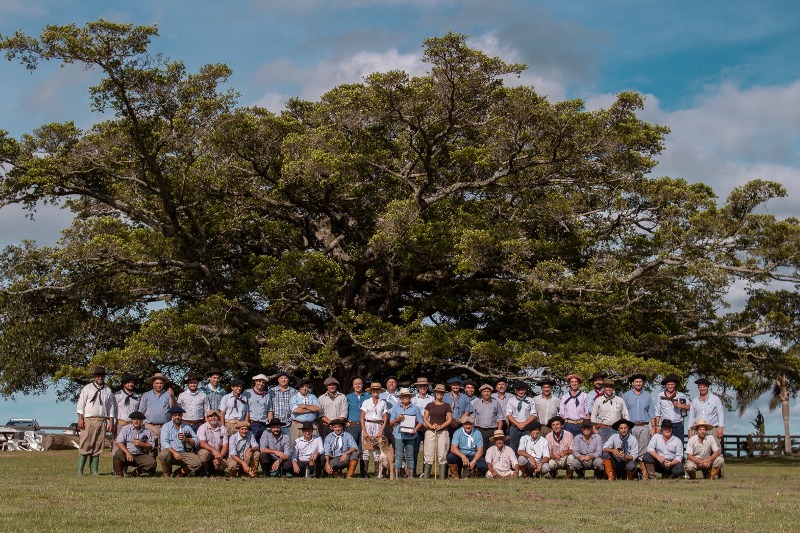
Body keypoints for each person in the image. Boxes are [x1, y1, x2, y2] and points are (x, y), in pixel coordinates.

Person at [76, 366, 116, 476]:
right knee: (86, 444)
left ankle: (94, 470)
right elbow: (80, 405)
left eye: (102, 376)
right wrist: (80, 418)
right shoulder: (87, 388)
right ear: (95, 377)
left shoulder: (108, 390)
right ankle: (80, 471)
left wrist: (111, 422)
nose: (100, 378)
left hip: (102, 420)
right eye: (98, 376)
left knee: (98, 444)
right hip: (88, 419)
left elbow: (111, 407)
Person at [623, 373, 656, 478]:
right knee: (630, 449)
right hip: (631, 426)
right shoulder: (626, 395)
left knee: (643, 449)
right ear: (632, 383)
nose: (638, 383)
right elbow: (623, 412)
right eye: (636, 382)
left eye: (640, 382)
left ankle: (644, 473)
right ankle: (630, 473)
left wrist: (654, 427)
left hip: (644, 426)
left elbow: (652, 413)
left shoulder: (647, 395)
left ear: (643, 383)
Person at [158, 406, 202, 477]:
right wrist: (174, 453)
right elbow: (164, 442)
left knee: (197, 463)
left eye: (179, 415)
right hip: (171, 453)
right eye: (175, 415)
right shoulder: (166, 426)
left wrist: (187, 440)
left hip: (183, 452)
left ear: (182, 416)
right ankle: (166, 472)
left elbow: (196, 440)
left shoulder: (186, 427)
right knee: (164, 454)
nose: (177, 417)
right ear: (172, 416)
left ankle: (179, 472)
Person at [389, 388, 424, 478]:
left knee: (410, 456)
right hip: (398, 435)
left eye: (407, 396)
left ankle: (411, 476)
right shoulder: (396, 408)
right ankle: (396, 476)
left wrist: (416, 429)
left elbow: (421, 421)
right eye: (403, 396)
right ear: (400, 398)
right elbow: (391, 422)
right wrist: (398, 419)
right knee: (399, 456)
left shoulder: (415, 408)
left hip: (411, 435)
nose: (405, 398)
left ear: (410, 397)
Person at [139, 372, 176, 450]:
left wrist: (172, 396)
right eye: (157, 383)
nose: (159, 385)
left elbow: (173, 407)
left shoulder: (168, 394)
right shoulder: (146, 395)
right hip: (149, 426)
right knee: (150, 449)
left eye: (161, 383)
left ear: (163, 384)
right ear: (153, 384)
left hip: (164, 426)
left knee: (165, 449)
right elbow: (141, 411)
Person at [422, 384, 453, 479]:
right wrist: (431, 426)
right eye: (437, 392)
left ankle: (442, 477)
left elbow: (449, 419)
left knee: (442, 453)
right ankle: (426, 476)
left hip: (443, 431)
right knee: (428, 453)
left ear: (443, 394)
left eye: (441, 392)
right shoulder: (429, 405)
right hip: (430, 431)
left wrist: (441, 426)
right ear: (435, 393)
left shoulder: (446, 405)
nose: (439, 394)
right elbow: (425, 418)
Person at [112, 411, 156, 477]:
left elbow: (151, 445)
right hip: (127, 454)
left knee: (152, 462)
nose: (136, 421)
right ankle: (118, 473)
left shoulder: (146, 431)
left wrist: (142, 444)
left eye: (138, 419)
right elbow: (119, 442)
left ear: (142, 421)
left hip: (140, 455)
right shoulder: (125, 429)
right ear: (131, 420)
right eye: (134, 419)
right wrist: (127, 453)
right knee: (118, 454)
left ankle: (136, 472)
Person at [360, 381, 389, 476]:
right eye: (374, 390)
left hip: (378, 425)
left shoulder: (383, 403)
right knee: (366, 449)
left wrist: (381, 430)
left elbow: (385, 418)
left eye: (377, 390)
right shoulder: (366, 402)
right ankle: (364, 473)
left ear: (379, 391)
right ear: (371, 391)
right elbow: (362, 417)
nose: (375, 391)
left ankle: (378, 472)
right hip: (368, 424)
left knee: (377, 450)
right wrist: (364, 431)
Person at [687, 378, 725, 445]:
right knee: (698, 449)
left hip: (712, 428)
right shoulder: (694, 401)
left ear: (708, 387)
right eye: (700, 387)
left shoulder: (715, 399)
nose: (702, 389)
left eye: (704, 387)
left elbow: (720, 414)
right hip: (698, 429)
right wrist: (689, 430)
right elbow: (691, 416)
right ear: (698, 388)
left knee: (715, 450)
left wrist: (721, 428)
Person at [591, 379, 630, 443]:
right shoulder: (598, 400)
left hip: (617, 429)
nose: (609, 389)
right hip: (603, 429)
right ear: (604, 388)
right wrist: (594, 428)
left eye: (611, 387)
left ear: (613, 388)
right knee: (604, 450)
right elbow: (594, 415)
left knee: (618, 449)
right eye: (607, 387)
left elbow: (626, 414)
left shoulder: (620, 400)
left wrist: (626, 427)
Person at [655, 374, 690, 443]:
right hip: (665, 425)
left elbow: (690, 407)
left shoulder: (681, 395)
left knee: (679, 444)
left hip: (678, 424)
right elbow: (657, 412)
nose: (670, 386)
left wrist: (681, 405)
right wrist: (657, 426)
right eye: (668, 384)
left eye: (672, 384)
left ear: (675, 385)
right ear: (665, 385)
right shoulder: (660, 396)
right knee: (665, 446)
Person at [345, 375, 369, 477]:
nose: (358, 385)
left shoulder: (368, 396)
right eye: (356, 384)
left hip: (365, 425)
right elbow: (344, 410)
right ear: (353, 385)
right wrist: (345, 421)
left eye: (359, 383)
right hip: (352, 426)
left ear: (362, 385)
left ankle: (364, 472)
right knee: (352, 448)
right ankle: (350, 472)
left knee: (364, 448)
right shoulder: (348, 397)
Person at [410, 376, 434, 476]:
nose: (423, 388)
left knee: (428, 451)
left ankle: (425, 472)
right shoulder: (413, 399)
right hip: (416, 426)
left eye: (425, 386)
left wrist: (427, 424)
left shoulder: (432, 398)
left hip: (428, 427)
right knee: (415, 451)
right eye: (421, 386)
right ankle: (413, 472)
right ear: (418, 387)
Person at [506, 381, 537, 453]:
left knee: (528, 446)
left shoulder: (530, 400)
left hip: (527, 427)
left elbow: (534, 415)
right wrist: (517, 424)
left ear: (525, 390)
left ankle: (526, 463)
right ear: (516, 390)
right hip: (514, 427)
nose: (521, 391)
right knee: (513, 446)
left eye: (522, 389)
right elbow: (508, 414)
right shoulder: (511, 400)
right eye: (519, 390)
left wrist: (524, 424)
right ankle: (514, 463)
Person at [197, 409, 228, 476]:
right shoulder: (202, 427)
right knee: (204, 454)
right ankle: (203, 472)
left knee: (224, 464)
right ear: (207, 418)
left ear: (218, 418)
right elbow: (202, 443)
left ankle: (214, 471)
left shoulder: (223, 428)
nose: (213, 418)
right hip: (207, 453)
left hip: (217, 455)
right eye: (211, 416)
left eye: (215, 416)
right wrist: (214, 451)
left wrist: (220, 456)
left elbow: (225, 446)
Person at [243, 374, 272, 442]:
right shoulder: (247, 393)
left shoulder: (267, 395)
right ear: (255, 381)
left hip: (264, 425)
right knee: (250, 445)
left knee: (263, 446)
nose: (261, 384)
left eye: (263, 382)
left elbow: (269, 411)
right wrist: (246, 424)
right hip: (252, 424)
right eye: (259, 381)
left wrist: (271, 425)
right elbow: (244, 409)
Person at [268, 371, 296, 437]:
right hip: (276, 425)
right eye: (281, 378)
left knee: (289, 444)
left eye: (285, 378)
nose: (283, 380)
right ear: (278, 380)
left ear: (288, 380)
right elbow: (269, 409)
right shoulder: (271, 391)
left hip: (289, 424)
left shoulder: (294, 392)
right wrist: (271, 424)